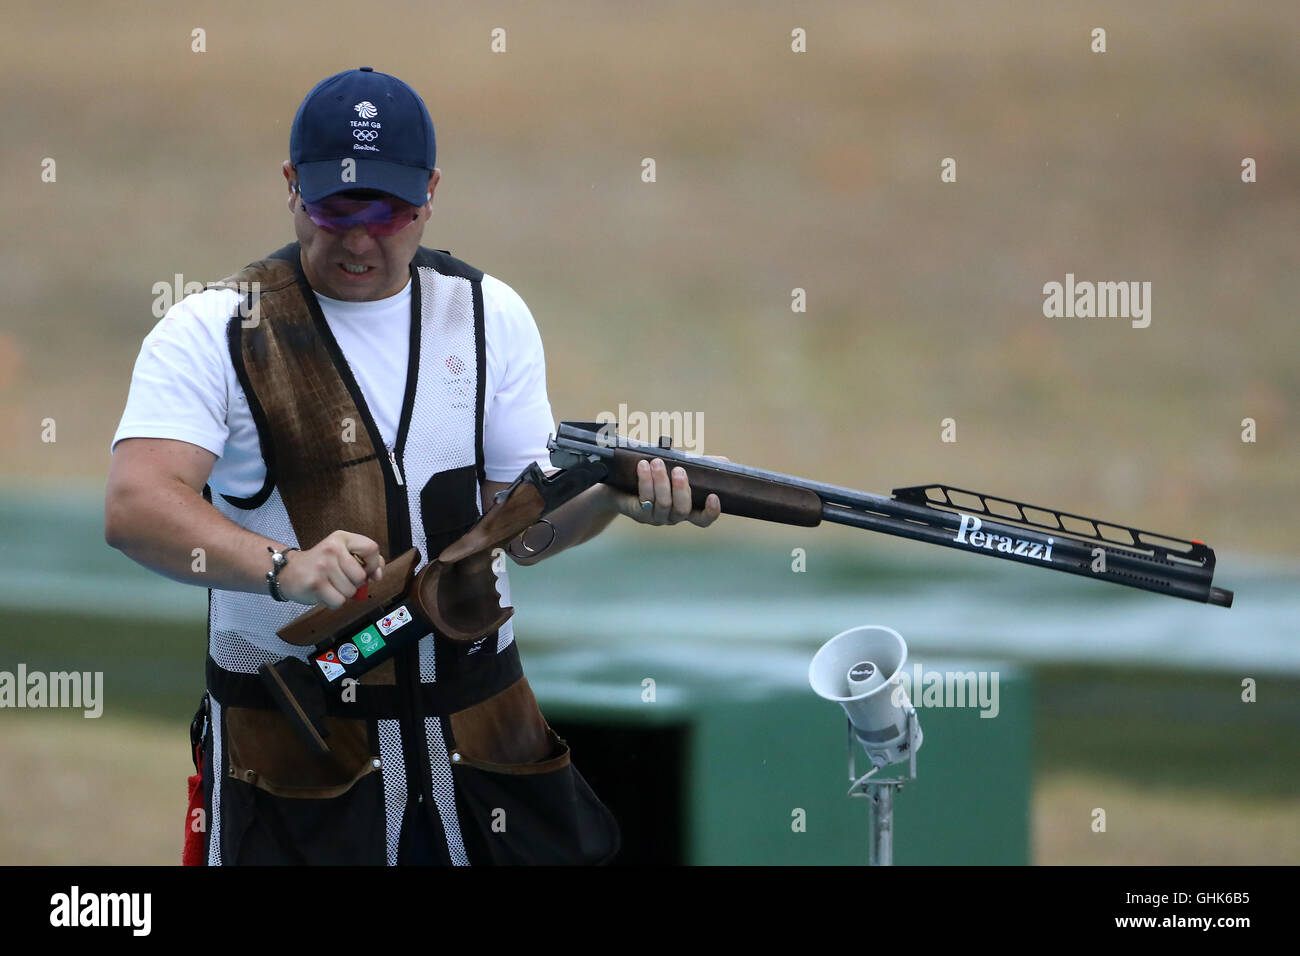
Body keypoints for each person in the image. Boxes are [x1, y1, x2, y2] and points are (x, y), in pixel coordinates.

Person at [104, 67, 721, 866]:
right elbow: (136, 505)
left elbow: (520, 526)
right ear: (291, 186)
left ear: (430, 194)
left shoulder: (489, 312)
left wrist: (613, 500)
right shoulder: (214, 330)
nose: (360, 237)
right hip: (301, 774)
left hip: (483, 758)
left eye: (389, 211)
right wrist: (282, 568)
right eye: (335, 207)